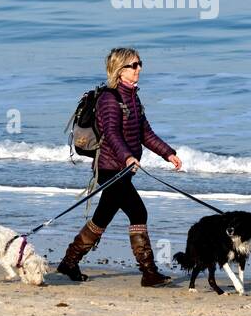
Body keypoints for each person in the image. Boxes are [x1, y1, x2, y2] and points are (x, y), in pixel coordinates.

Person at [57, 47, 184, 286]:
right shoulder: (109, 98)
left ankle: (69, 262)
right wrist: (127, 157)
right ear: (119, 70)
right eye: (133, 65)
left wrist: (168, 153)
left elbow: (145, 133)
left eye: (140, 64)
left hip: (124, 170)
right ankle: (149, 273)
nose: (139, 69)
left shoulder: (133, 97)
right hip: (110, 170)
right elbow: (112, 134)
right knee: (138, 212)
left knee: (102, 217)